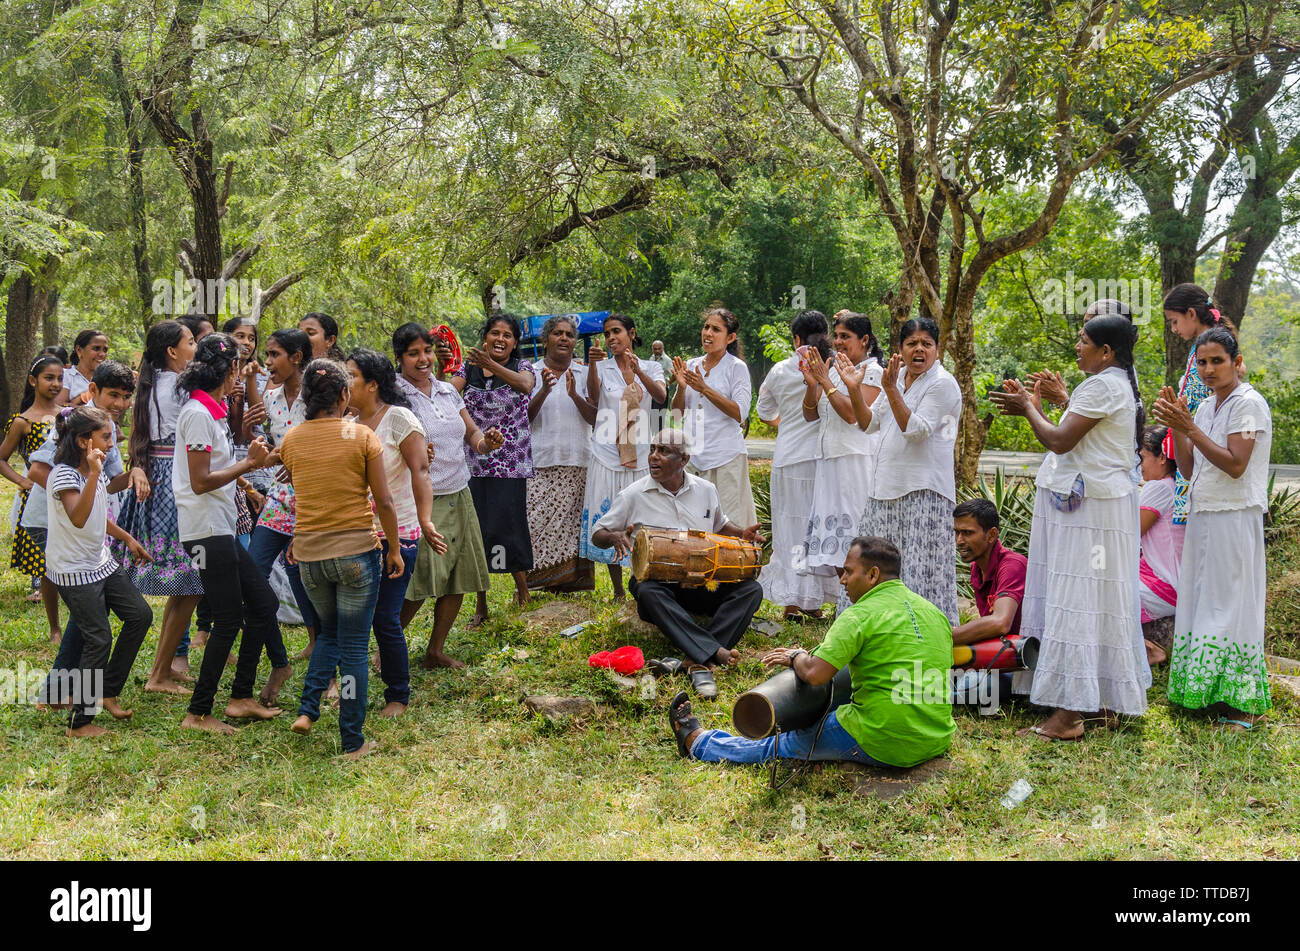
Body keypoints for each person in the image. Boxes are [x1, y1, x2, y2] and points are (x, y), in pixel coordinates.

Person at [991, 313, 1151, 741]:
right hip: (1100, 508)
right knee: (1093, 600)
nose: (1076, 347)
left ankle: (1068, 716)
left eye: (1083, 341)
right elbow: (1077, 435)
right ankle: (1097, 703)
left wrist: (1027, 408)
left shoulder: (1102, 385)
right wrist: (1041, 408)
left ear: (1106, 351)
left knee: (1077, 597)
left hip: (1091, 515)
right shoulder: (1118, 384)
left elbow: (1060, 441)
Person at [667, 536, 955, 769]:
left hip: (882, 741)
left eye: (848, 572)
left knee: (787, 742)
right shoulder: (934, 613)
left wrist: (796, 657)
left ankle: (699, 743)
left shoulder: (860, 615)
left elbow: (816, 675)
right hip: (935, 738)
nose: (842, 580)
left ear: (873, 575)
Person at [282, 360, 405, 760]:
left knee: (328, 635)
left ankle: (307, 709)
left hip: (309, 557)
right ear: (343, 396)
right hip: (355, 554)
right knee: (353, 648)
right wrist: (395, 547)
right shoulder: (361, 434)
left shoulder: (292, 439)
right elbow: (384, 501)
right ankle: (352, 739)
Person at [1155, 328, 1272, 731]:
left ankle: (1243, 706)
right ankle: (1204, 693)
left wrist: (1190, 426)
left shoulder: (1249, 404)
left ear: (1237, 362)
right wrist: (1178, 425)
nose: (1208, 369)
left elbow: (1236, 465)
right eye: (1202, 362)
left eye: (1217, 360)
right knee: (1205, 600)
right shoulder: (1207, 408)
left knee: (1233, 604)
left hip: (1235, 516)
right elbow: (1188, 469)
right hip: (1205, 514)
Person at [591, 429, 764, 699]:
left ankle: (693, 661)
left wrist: (741, 534)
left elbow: (721, 524)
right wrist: (613, 536)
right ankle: (715, 652)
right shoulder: (633, 494)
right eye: (652, 449)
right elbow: (597, 534)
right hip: (660, 588)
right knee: (646, 591)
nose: (653, 457)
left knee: (751, 590)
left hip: (702, 584)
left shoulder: (706, 490)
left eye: (663, 451)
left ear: (683, 459)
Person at [172, 332, 285, 733]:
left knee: (264, 604)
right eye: (238, 367)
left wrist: (258, 465)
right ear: (231, 369)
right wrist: (246, 465)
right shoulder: (199, 414)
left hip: (219, 527)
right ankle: (198, 713)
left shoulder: (213, 410)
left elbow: (219, 471)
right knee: (226, 619)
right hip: (205, 531)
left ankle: (240, 698)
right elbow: (201, 481)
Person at [27, 362, 147, 703]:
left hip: (88, 535)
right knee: (91, 626)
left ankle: (64, 692)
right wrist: (72, 492)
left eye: (126, 397)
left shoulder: (103, 431)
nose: (120, 404)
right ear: (92, 390)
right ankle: (66, 696)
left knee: (93, 622)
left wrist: (135, 471)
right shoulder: (74, 423)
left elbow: (105, 488)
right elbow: (39, 469)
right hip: (58, 527)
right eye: (113, 395)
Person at [393, 323, 501, 669]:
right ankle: (386, 649)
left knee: (459, 575)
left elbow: (471, 434)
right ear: (400, 358)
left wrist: (487, 443)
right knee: (422, 578)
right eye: (414, 353)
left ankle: (435, 651)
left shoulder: (448, 391)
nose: (423, 359)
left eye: (427, 351)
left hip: (459, 490)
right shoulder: (394, 396)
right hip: (421, 498)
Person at [346, 348, 446, 717]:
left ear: (372, 384)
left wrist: (426, 520)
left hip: (397, 534)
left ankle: (397, 696)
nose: (345, 381)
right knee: (352, 618)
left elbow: (420, 471)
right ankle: (347, 688)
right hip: (355, 533)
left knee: (384, 617)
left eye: (351, 375)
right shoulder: (346, 423)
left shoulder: (399, 418)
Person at [841, 316, 962, 623]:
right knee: (875, 568)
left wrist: (891, 389)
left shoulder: (943, 384)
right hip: (884, 490)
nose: (918, 350)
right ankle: (875, 630)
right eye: (911, 343)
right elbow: (868, 424)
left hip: (924, 492)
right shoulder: (899, 376)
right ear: (900, 348)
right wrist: (855, 389)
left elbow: (916, 431)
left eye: (926, 344)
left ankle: (921, 635)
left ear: (937, 349)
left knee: (919, 574)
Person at [45, 406, 153, 737]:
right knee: (99, 638)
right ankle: (80, 722)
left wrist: (126, 536)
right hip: (75, 572)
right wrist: (94, 473)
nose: (112, 441)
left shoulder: (94, 470)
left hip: (101, 562)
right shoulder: (63, 475)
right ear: (82, 441)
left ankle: (106, 690)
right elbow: (78, 516)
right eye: (105, 436)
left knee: (140, 615)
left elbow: (98, 507)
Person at [116, 320, 200, 694]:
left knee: (190, 583)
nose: (194, 347)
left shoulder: (155, 385)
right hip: (175, 479)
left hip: (160, 474)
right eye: (191, 341)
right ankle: (159, 674)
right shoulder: (181, 387)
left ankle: (162, 669)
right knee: (193, 579)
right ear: (172, 351)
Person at [244, 328, 322, 681]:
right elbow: (266, 444)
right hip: (280, 500)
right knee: (252, 574)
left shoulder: (319, 397)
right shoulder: (271, 396)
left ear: (297, 357)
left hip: (315, 499)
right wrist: (258, 448)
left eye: (275, 355)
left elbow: (333, 439)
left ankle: (320, 647)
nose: (268, 362)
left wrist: (284, 459)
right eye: (268, 354)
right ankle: (280, 660)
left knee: (303, 576)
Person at [452, 312, 535, 624]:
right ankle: (481, 605)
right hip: (474, 463)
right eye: (495, 333)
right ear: (485, 337)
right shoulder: (468, 368)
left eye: (507, 335)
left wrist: (492, 363)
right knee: (477, 533)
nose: (501, 339)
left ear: (514, 343)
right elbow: (448, 394)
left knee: (510, 527)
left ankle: (523, 591)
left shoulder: (522, 367)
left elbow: (526, 386)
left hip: (511, 462)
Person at [755, 310, 839, 619]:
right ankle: (813, 602)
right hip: (820, 458)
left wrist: (786, 424)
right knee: (815, 528)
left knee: (789, 529)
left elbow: (764, 410)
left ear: (796, 340)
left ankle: (793, 601)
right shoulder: (831, 366)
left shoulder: (779, 370)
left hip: (788, 456)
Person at [578, 313, 666, 600]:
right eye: (607, 333)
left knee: (642, 520)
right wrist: (592, 365)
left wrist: (638, 371)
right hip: (607, 454)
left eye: (616, 331)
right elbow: (592, 398)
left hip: (641, 456)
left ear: (631, 333)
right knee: (611, 520)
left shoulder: (652, 365)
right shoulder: (601, 367)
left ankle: (641, 583)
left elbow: (661, 397)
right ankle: (617, 590)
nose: (611, 338)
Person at [799, 311, 883, 589]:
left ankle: (862, 601)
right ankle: (846, 602)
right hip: (828, 462)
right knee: (833, 542)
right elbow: (811, 415)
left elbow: (853, 416)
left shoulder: (872, 372)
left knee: (853, 539)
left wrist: (825, 381)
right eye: (835, 336)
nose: (838, 342)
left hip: (854, 463)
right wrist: (813, 385)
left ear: (865, 340)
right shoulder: (832, 370)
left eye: (845, 336)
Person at [1161, 284, 1237, 557]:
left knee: (1199, 550)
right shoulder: (1201, 349)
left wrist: (1181, 419)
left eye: (1174, 321)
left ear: (1191, 314)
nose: (1173, 329)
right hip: (1195, 448)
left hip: (1205, 450)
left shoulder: (1207, 351)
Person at [526, 315, 598, 592]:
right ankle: (539, 582)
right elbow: (524, 419)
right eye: (557, 333)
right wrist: (544, 390)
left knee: (572, 527)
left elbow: (595, 418)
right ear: (545, 341)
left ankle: (571, 584)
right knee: (537, 523)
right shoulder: (530, 373)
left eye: (569, 334)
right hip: (540, 461)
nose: (564, 338)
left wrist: (575, 395)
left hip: (578, 460)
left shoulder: (584, 373)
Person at [672, 306, 757, 527]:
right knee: (694, 523)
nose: (708, 333)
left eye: (715, 329)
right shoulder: (691, 365)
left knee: (730, 523)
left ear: (730, 337)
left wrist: (704, 388)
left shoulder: (736, 368)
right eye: (706, 327)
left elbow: (740, 412)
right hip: (694, 457)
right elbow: (676, 413)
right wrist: (682, 388)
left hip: (725, 457)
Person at [2, 353, 63, 623]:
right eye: (49, 378)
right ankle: (39, 584)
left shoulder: (68, 414)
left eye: (60, 378)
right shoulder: (22, 421)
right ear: (32, 381)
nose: (56, 383)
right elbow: (2, 458)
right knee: (40, 539)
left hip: (63, 487)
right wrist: (22, 480)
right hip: (36, 489)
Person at [951, 498, 1026, 645]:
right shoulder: (977, 568)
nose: (959, 540)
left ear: (991, 535)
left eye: (967, 533)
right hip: (1000, 652)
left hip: (1024, 657)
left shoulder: (1012, 565)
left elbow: (1000, 622)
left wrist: (946, 636)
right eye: (957, 532)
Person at [1136, 425, 1179, 665]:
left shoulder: (1159, 487)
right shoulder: (1174, 486)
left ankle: (1148, 650)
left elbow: (1129, 536)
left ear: (1162, 457)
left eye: (1142, 457)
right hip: (1165, 581)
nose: (1139, 465)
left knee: (1097, 594)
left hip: (1163, 584)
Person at [58, 329, 109, 406]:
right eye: (96, 348)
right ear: (79, 350)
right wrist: (82, 398)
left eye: (105, 350)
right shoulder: (66, 376)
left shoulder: (107, 378)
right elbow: (59, 407)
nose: (102, 354)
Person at [650, 339, 675, 429]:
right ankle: (652, 438)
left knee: (659, 415)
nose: (657, 351)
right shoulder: (652, 358)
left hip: (662, 391)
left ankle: (659, 439)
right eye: (655, 349)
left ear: (663, 348)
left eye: (659, 349)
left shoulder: (667, 360)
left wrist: (667, 384)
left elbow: (674, 375)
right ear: (652, 349)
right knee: (652, 414)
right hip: (652, 391)